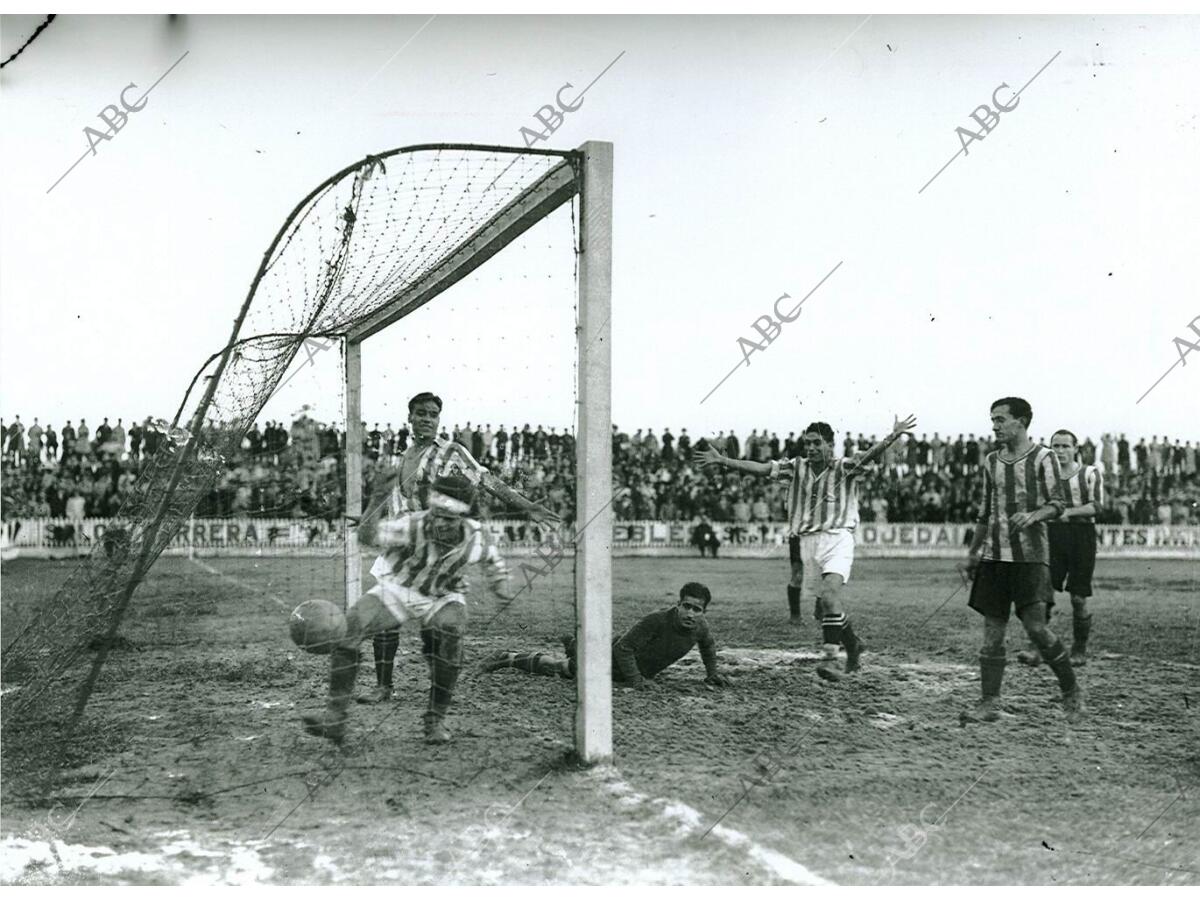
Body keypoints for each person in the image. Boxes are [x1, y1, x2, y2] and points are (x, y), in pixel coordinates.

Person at [357, 392, 559, 705]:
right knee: (386, 620)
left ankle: (439, 689)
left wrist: (526, 506)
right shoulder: (405, 455)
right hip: (402, 546)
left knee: (434, 626)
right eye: (421, 413)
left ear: (439, 419)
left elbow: (486, 480)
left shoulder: (451, 452)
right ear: (410, 417)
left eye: (433, 414)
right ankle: (383, 686)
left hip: (435, 549)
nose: (427, 418)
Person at [697, 414, 916, 679]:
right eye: (807, 443)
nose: (810, 448)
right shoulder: (795, 467)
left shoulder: (843, 467)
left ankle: (831, 659)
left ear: (830, 445)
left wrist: (893, 436)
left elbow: (870, 456)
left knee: (830, 595)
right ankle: (853, 645)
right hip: (808, 542)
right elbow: (762, 468)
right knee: (822, 608)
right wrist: (723, 461)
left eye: (816, 443)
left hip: (838, 538)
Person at [298, 474, 511, 744]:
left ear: (464, 517)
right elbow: (367, 537)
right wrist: (376, 500)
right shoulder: (413, 524)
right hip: (400, 587)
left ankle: (435, 719)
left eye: (448, 518)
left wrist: (501, 588)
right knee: (352, 623)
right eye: (437, 514)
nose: (439, 523)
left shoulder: (478, 537)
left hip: (443, 594)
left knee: (451, 634)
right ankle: (335, 716)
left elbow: (495, 566)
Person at [960, 397, 1083, 725]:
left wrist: (1032, 516)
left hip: (1031, 558)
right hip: (994, 559)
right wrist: (972, 553)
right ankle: (989, 703)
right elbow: (984, 512)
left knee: (1036, 629)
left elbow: (1058, 504)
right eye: (993, 419)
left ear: (1022, 421)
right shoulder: (990, 461)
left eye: (1001, 419)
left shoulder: (1044, 458)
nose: (995, 426)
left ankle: (1071, 690)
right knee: (992, 634)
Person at [479, 582, 731, 689]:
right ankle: (509, 658)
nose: (690, 612)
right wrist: (636, 680)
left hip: (633, 670)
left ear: (703, 612)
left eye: (696, 609)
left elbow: (707, 646)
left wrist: (712, 673)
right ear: (678, 604)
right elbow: (623, 648)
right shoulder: (657, 620)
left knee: (571, 660)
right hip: (608, 659)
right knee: (561, 668)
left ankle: (574, 644)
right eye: (686, 606)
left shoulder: (701, 627)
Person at [1017, 429, 1104, 668]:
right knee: (1043, 594)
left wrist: (1067, 513)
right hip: (1051, 536)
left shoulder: (1089, 473)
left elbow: (1096, 506)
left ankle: (1079, 649)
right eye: (1056, 446)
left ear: (1076, 449)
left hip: (1081, 536)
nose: (1060, 451)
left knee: (1078, 597)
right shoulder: (1043, 476)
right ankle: (1036, 649)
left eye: (1066, 446)